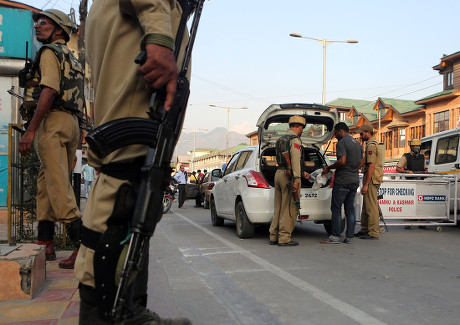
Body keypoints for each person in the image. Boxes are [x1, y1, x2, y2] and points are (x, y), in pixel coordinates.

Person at [74, 1, 192, 324]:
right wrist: (160, 37)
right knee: (125, 176)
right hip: (141, 18)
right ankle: (107, 313)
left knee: (141, 180)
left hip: (141, 17)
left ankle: (128, 308)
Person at [18, 9, 83, 269]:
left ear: (59, 29)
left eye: (43, 22)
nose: (37, 26)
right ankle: (45, 242)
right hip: (72, 124)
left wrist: (31, 129)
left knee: (57, 185)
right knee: (47, 184)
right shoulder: (72, 57)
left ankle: (84, 244)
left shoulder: (48, 53)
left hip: (53, 122)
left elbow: (50, 89)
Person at [320, 122, 363, 244]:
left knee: (337, 208)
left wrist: (329, 167)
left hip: (343, 180)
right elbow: (362, 161)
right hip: (354, 180)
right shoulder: (357, 144)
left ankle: (335, 236)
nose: (335, 136)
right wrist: (353, 169)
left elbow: (342, 161)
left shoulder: (342, 143)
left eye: (335, 133)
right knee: (350, 209)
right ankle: (350, 237)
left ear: (340, 131)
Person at [269, 116, 306, 247]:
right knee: (289, 207)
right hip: (288, 176)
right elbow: (295, 159)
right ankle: (284, 237)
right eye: (302, 128)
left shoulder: (280, 139)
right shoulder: (295, 140)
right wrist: (297, 178)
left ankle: (273, 235)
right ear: (300, 127)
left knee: (278, 207)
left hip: (279, 173)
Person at [354, 124, 384, 240]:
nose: (360, 136)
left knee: (371, 206)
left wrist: (365, 185)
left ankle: (373, 232)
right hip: (374, 176)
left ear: (368, 133)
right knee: (366, 205)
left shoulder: (371, 146)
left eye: (362, 134)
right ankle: (365, 229)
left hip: (371, 178)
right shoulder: (375, 144)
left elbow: (371, 165)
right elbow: (365, 162)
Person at [395, 139, 427, 229]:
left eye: (418, 146)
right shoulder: (406, 157)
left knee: (421, 203)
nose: (417, 148)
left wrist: (424, 173)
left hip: (420, 182)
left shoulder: (422, 157)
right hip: (410, 182)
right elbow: (398, 168)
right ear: (411, 147)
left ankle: (421, 222)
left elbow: (425, 169)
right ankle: (408, 222)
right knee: (409, 202)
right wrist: (407, 171)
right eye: (414, 146)